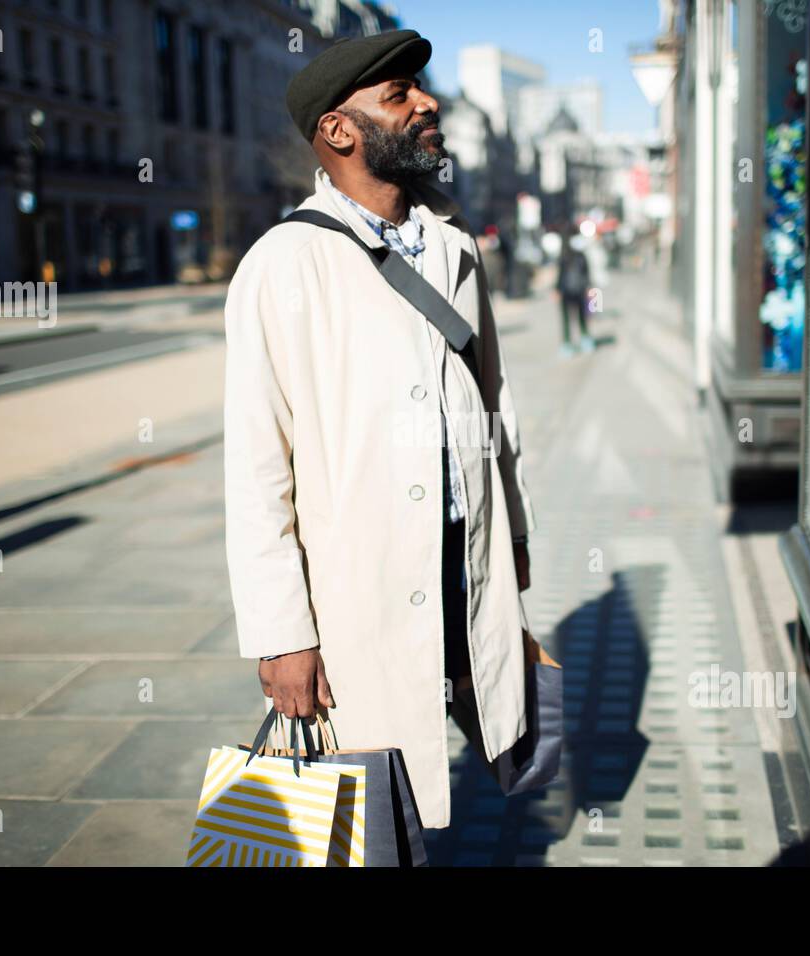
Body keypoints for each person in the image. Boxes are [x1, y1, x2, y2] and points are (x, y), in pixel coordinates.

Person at [222, 29, 537, 833]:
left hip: (463, 561)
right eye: (398, 96)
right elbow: (259, 469)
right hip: (357, 587)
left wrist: (516, 552)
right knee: (366, 810)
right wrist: (281, 635)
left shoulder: (454, 243)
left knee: (474, 753)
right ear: (339, 131)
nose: (427, 103)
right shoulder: (285, 263)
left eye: (420, 89)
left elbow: (496, 405)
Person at [555, 223, 594, 356]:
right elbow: (560, 275)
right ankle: (567, 344)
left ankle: (585, 339)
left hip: (580, 290)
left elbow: (587, 272)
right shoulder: (564, 256)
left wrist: (589, 287)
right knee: (566, 319)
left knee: (582, 316)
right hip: (567, 291)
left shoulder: (580, 255)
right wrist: (557, 290)